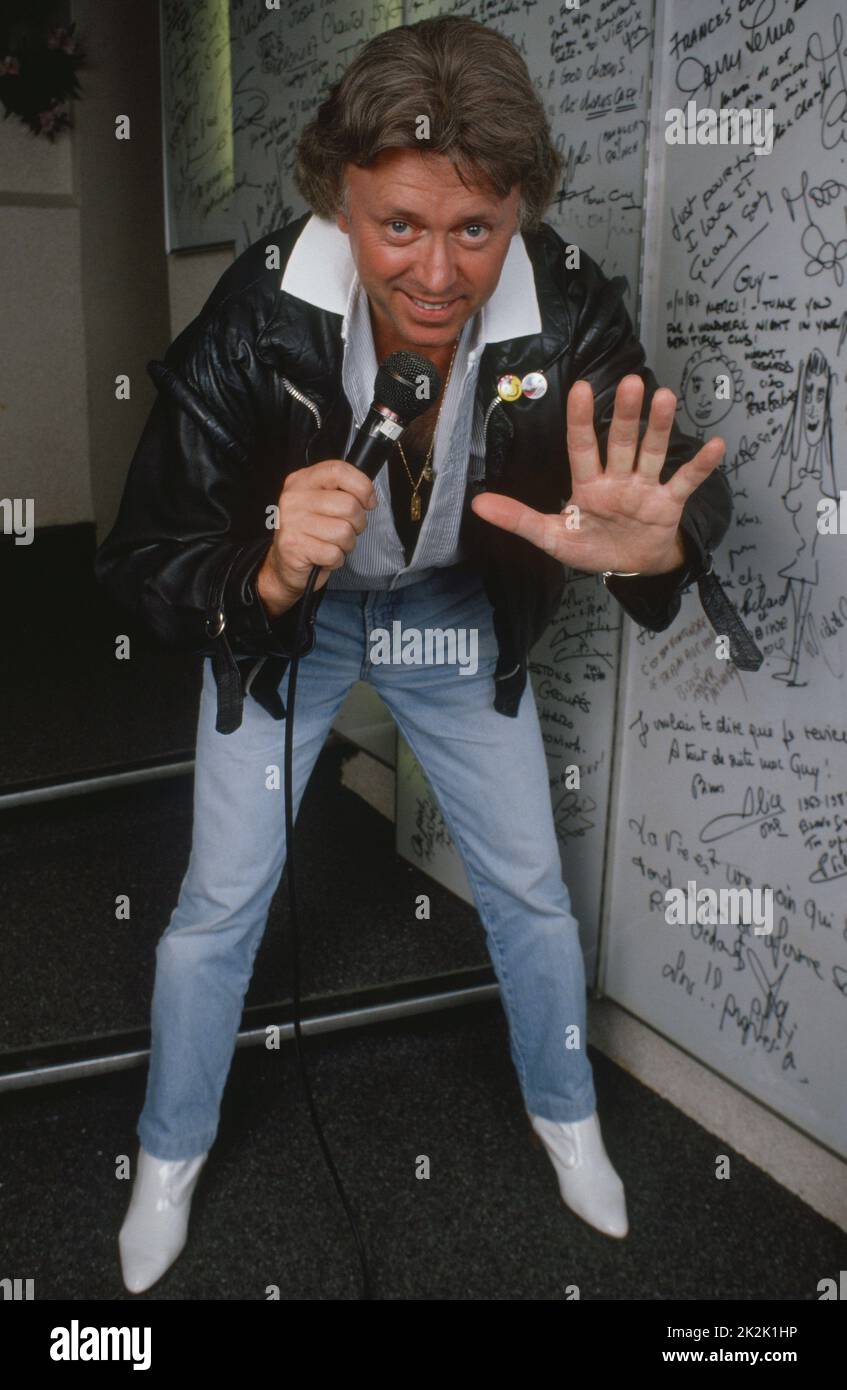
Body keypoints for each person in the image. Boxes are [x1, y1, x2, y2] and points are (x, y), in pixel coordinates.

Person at [94, 15, 733, 1294]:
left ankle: (568, 1120)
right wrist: (268, 566)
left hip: (451, 608)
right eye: (400, 227)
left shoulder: (563, 300)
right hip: (299, 613)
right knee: (216, 906)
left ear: (519, 212)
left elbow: (668, 499)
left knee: (530, 895)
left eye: (475, 230)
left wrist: (656, 546)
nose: (440, 275)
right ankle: (167, 1153)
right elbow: (147, 556)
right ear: (341, 198)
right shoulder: (264, 301)